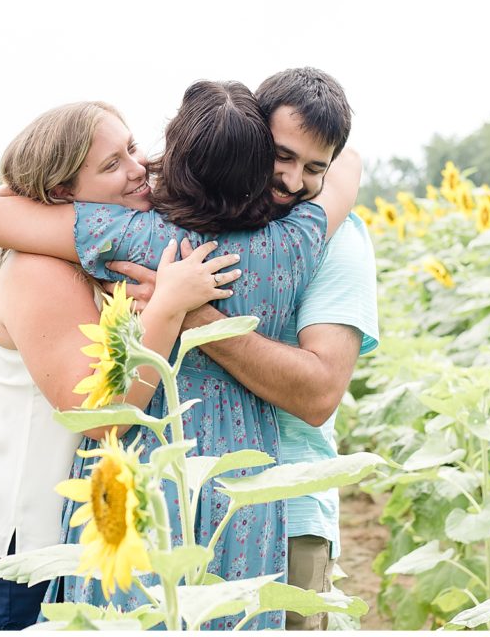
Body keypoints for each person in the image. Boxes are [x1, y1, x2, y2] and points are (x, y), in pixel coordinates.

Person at [0, 79, 362, 629]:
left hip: (132, 483)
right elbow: (349, 168)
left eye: (137, 152)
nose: (140, 169)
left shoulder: (136, 237)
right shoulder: (298, 238)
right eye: (279, 157)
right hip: (20, 526)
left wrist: (177, 307)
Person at [0, 101, 244, 630]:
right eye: (111, 165)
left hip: (63, 531)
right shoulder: (41, 271)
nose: (137, 168)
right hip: (12, 540)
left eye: (131, 147)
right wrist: (172, 306)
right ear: (60, 194)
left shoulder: (92, 249)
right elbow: (98, 415)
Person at [104, 67, 379, 630]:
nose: (294, 180)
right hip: (173, 502)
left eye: (314, 168)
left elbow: (320, 392)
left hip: (287, 511)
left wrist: (186, 310)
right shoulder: (183, 214)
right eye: (282, 155)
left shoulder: (337, 241)